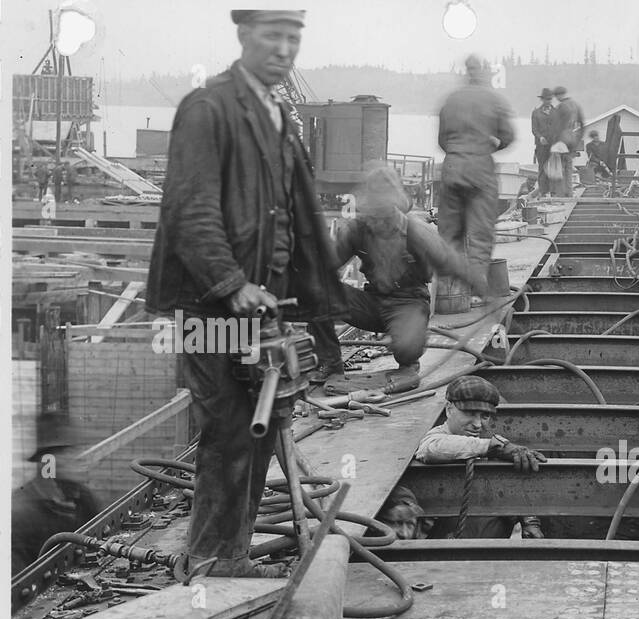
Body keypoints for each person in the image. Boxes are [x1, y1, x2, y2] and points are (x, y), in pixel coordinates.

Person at [146, 8, 344, 579]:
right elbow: (191, 209)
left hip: (262, 307)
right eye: (272, 37)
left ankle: (227, 554)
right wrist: (231, 284)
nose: (283, 50)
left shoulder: (278, 114)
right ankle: (211, 560)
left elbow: (289, 216)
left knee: (261, 421)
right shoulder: (208, 109)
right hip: (211, 307)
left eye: (292, 39)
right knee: (230, 427)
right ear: (243, 37)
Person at [312, 162, 486, 392]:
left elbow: (451, 262)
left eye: (382, 212)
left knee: (406, 346)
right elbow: (326, 266)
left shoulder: (417, 231)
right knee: (315, 292)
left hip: (408, 303)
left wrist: (486, 290)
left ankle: (407, 361)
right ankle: (330, 363)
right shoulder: (355, 229)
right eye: (372, 213)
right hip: (372, 303)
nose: (376, 221)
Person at [413, 375, 547, 539]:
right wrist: (492, 447)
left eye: (485, 416)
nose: (477, 424)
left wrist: (529, 520)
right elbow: (432, 449)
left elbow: (505, 486)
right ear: (449, 409)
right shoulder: (436, 436)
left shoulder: (486, 441)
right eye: (470, 413)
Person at [437, 55, 514, 303]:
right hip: (480, 170)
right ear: (484, 73)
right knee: (480, 234)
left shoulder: (451, 99)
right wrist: (490, 145)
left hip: (452, 169)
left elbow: (442, 141)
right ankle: (479, 292)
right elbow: (508, 136)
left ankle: (448, 296)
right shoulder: (493, 99)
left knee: (449, 235)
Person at [10, 414, 102, 571]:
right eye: (69, 452)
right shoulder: (19, 515)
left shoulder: (83, 498)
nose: (80, 458)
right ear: (48, 461)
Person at [548, 86, 584, 197]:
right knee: (569, 167)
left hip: (561, 140)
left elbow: (556, 127)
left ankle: (560, 194)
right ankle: (569, 192)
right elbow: (582, 124)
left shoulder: (561, 107)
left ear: (558, 95)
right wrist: (577, 138)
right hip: (572, 139)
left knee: (559, 167)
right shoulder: (575, 105)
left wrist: (553, 143)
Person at [532, 87, 555, 195]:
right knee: (542, 168)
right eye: (546, 99)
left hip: (554, 145)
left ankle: (553, 192)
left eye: (550, 99)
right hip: (541, 146)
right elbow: (534, 129)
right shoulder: (536, 113)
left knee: (554, 168)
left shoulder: (556, 112)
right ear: (542, 99)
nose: (548, 101)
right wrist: (540, 137)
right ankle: (543, 191)